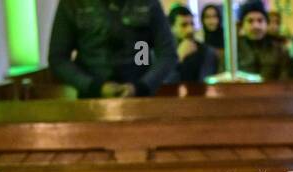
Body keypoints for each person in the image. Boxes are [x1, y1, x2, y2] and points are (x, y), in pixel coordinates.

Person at [47, 0, 178, 98]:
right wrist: (95, 87)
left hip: (139, 96)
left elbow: (168, 54)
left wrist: (141, 86)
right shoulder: (73, 3)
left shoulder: (148, 2)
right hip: (91, 100)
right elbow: (58, 58)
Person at [237, 1, 293, 79]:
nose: (256, 26)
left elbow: (285, 81)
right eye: (250, 21)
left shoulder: (279, 49)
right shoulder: (233, 51)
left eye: (260, 20)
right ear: (242, 25)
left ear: (266, 23)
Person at [169, 4, 220, 82]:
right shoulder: (162, 53)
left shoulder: (207, 52)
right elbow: (164, 85)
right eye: (184, 25)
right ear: (172, 28)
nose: (190, 30)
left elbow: (206, 84)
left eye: (192, 24)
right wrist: (178, 58)